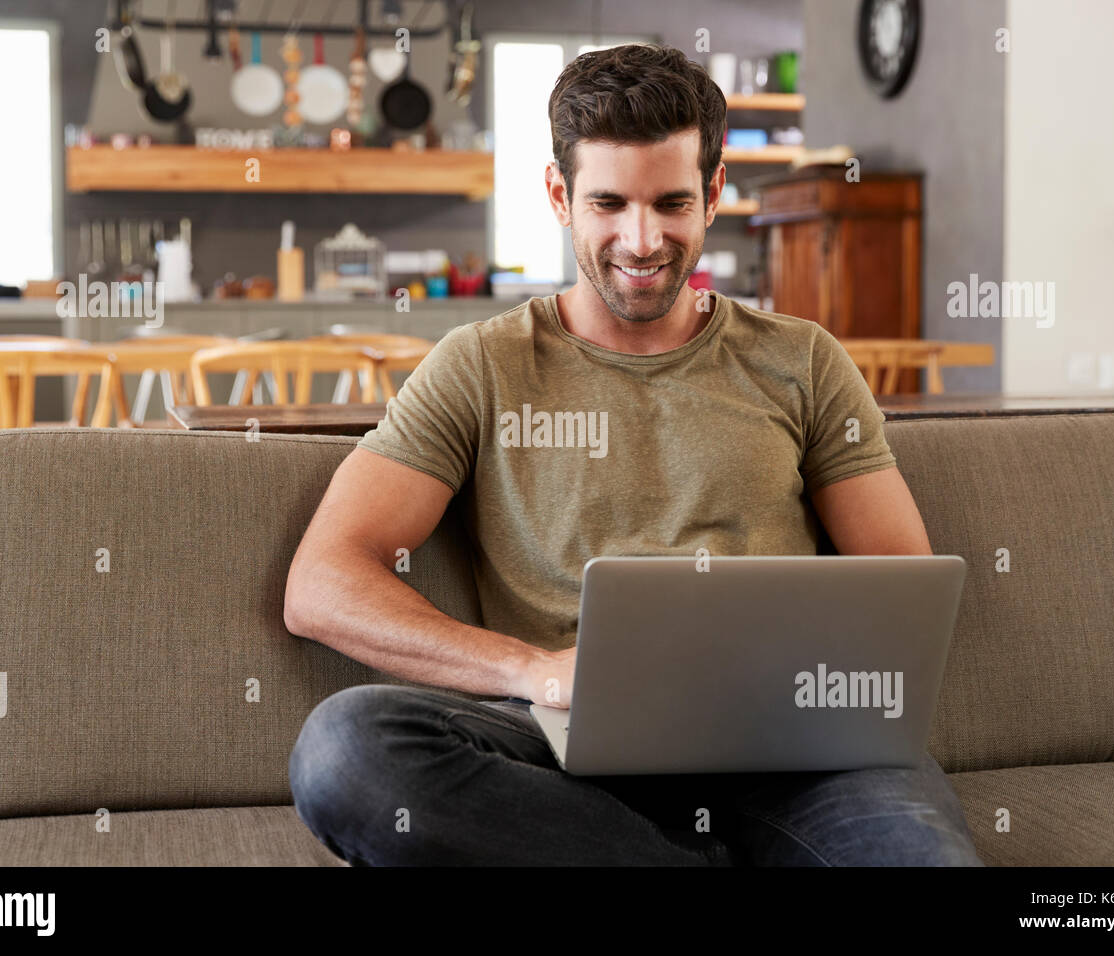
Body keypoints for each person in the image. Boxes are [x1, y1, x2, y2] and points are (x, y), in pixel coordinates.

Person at [284, 43, 983, 866]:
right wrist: (534, 670)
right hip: (560, 751)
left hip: (793, 754)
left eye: (672, 204)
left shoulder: (802, 360)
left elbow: (903, 587)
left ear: (714, 194)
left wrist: (800, 688)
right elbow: (320, 583)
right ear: (559, 195)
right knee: (345, 750)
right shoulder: (482, 365)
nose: (642, 240)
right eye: (609, 202)